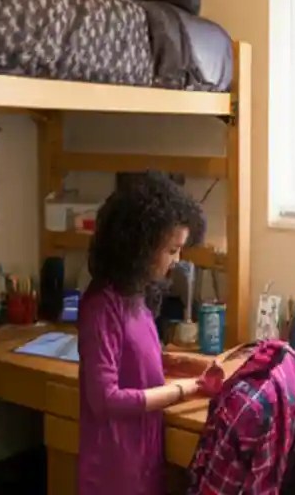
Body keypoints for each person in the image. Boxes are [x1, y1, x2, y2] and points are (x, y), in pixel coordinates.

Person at [79, 172, 207, 495]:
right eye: (172, 250)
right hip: (114, 471)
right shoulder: (101, 306)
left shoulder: (135, 295)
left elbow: (135, 360)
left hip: (143, 459)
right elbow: (105, 399)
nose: (177, 260)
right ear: (139, 245)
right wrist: (183, 390)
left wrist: (180, 365)